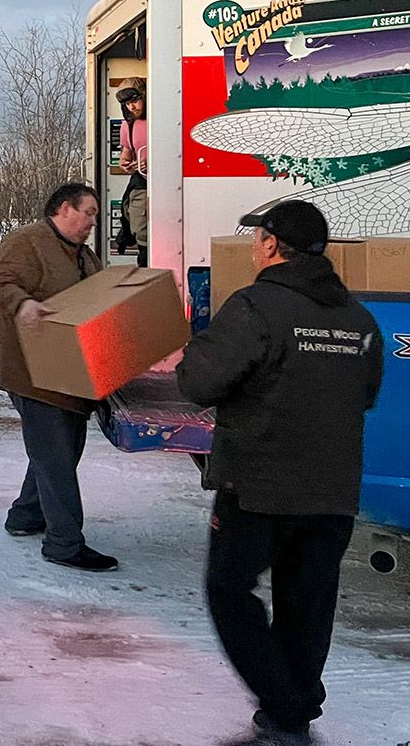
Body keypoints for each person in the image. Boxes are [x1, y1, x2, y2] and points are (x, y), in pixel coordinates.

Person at [177, 201, 382, 746]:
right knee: (307, 601)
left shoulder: (255, 307)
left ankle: (286, 706)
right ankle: (294, 709)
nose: (252, 248)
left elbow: (198, 382)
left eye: (256, 239)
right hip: (332, 492)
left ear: (271, 245)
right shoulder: (359, 319)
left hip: (258, 487)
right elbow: (366, 394)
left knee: (229, 591)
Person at [0, 182, 119, 572]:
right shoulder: (28, 241)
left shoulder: (84, 255)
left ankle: (26, 515)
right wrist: (23, 304)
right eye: (88, 212)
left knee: (61, 447)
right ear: (63, 209)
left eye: (95, 215)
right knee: (54, 451)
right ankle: (64, 543)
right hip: (26, 366)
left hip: (65, 369)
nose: (92, 221)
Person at [115, 83, 149, 267]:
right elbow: (127, 152)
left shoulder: (160, 118)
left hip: (168, 179)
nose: (132, 107)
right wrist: (124, 162)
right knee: (136, 220)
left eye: (135, 101)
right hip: (142, 180)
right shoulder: (127, 125)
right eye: (127, 104)